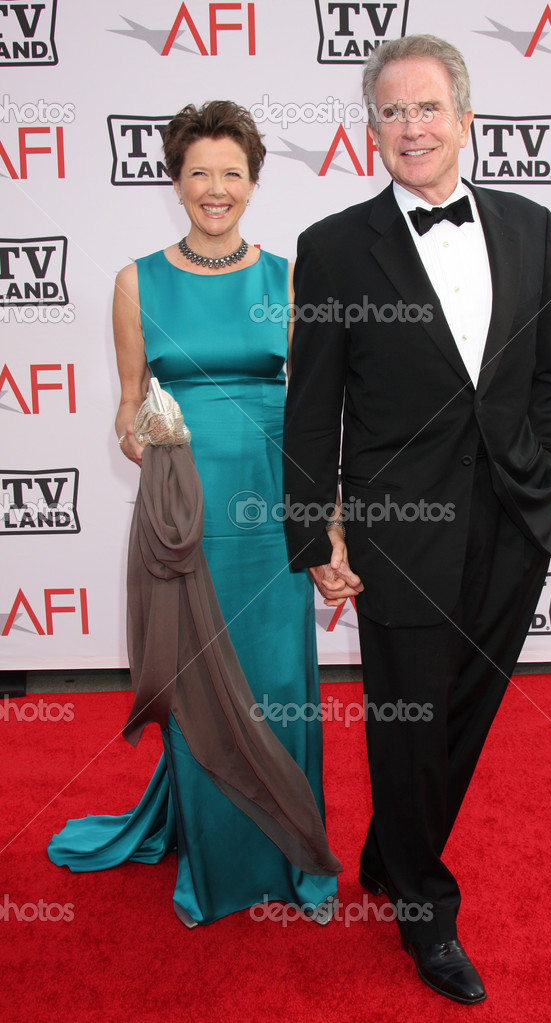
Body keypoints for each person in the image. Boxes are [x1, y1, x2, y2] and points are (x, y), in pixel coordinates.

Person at [283, 35, 551, 1003]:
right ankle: (423, 907)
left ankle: (389, 852)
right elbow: (311, 406)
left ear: (464, 118)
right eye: (391, 112)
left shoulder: (531, 226)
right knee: (408, 721)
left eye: (427, 108)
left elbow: (545, 377)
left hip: (511, 516)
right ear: (371, 129)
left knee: (463, 718)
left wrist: (536, 468)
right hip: (396, 524)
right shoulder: (331, 246)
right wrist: (311, 530)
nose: (411, 127)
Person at [48, 100, 338, 926]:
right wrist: (147, 432)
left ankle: (293, 860)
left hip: (272, 501)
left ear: (253, 182)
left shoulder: (287, 277)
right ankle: (215, 865)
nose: (217, 189)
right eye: (199, 173)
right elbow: (127, 408)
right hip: (185, 514)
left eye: (232, 174)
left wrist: (329, 526)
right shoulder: (135, 281)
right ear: (175, 181)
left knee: (278, 682)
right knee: (199, 683)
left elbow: (317, 417)